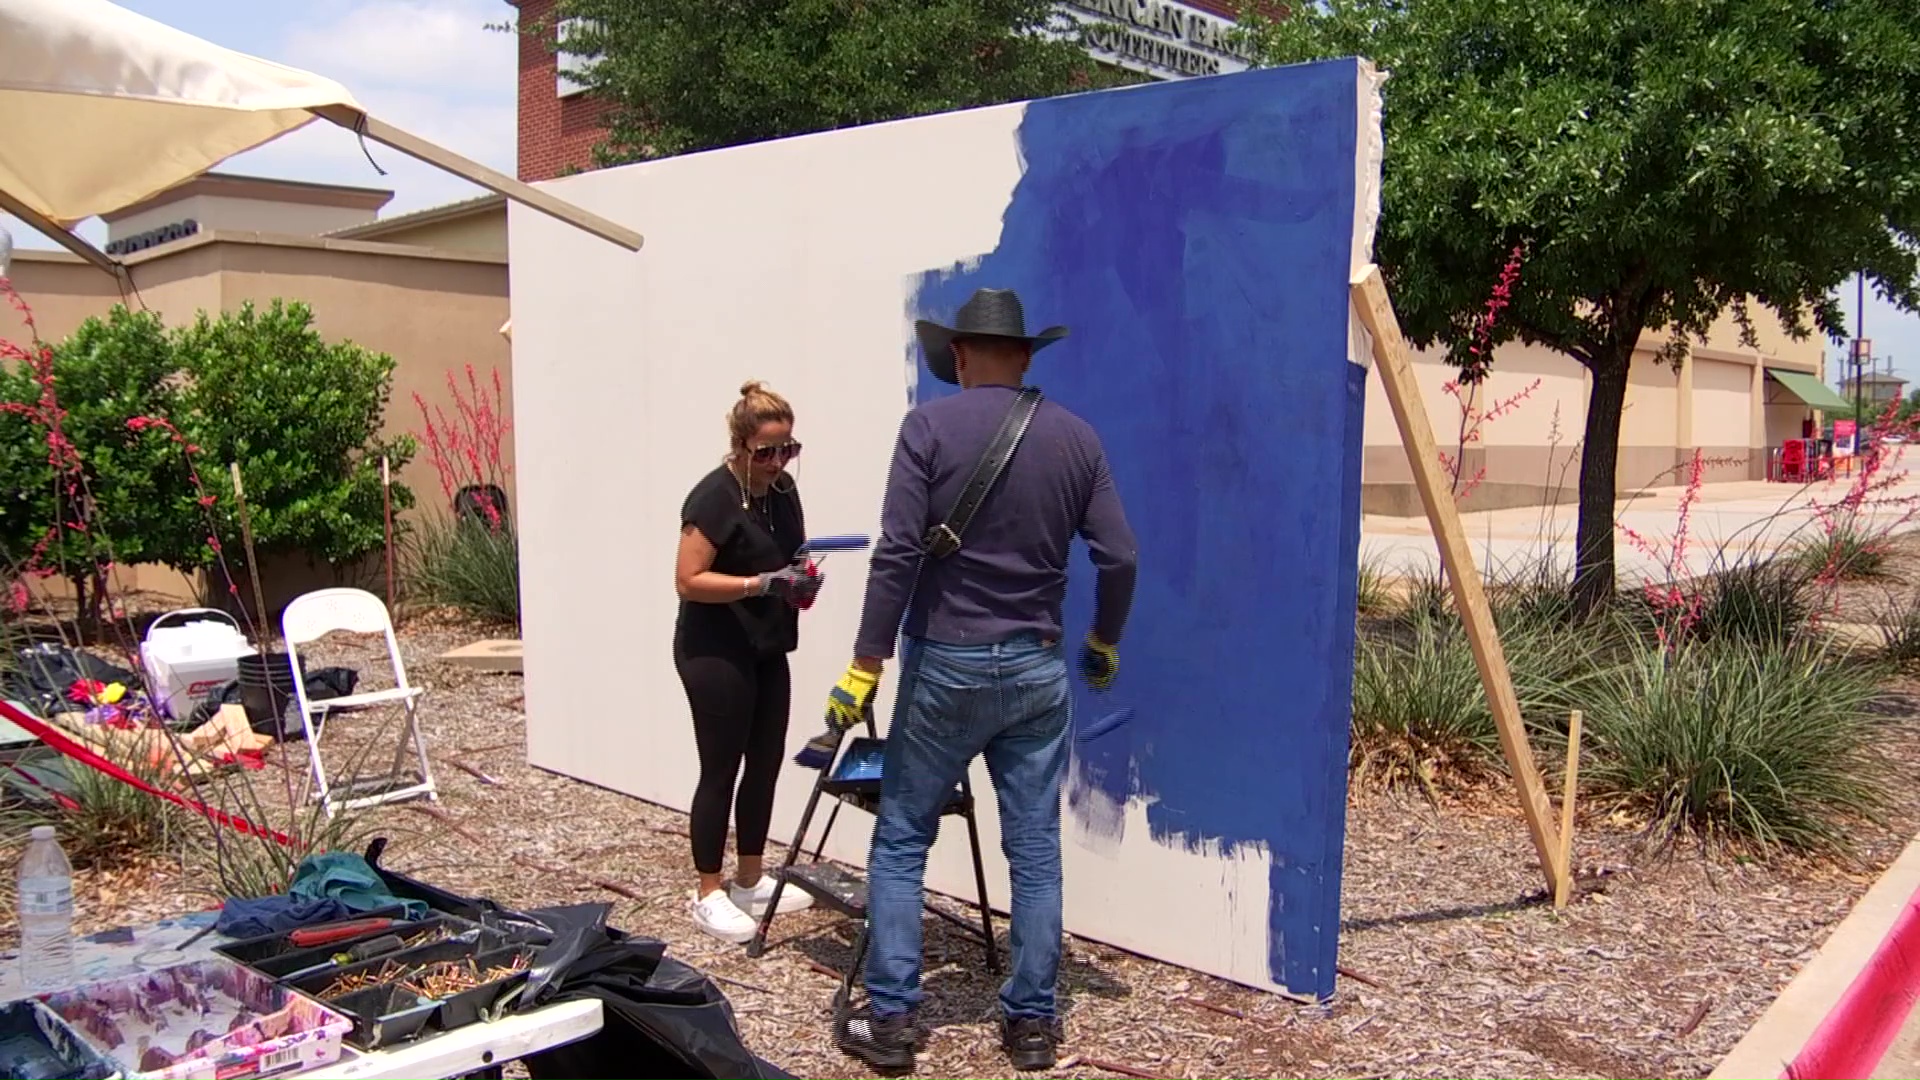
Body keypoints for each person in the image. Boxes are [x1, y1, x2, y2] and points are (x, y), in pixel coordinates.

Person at [822, 288, 1138, 1073]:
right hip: (1035, 666)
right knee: (1033, 851)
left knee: (901, 842)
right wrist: (1104, 638)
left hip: (945, 665)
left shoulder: (927, 427)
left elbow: (898, 551)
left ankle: (893, 1021)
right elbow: (1120, 556)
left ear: (957, 356)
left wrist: (865, 663)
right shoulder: (1077, 439)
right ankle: (1032, 1023)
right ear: (1026, 356)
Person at [674, 381, 825, 943]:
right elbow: (688, 580)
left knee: (764, 761)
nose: (777, 461)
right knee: (721, 767)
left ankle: (750, 876)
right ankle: (708, 889)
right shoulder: (714, 496)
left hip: (767, 646)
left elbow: (791, 557)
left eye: (788, 449)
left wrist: (799, 583)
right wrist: (760, 583)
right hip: (714, 649)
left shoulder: (783, 491)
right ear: (739, 445)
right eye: (766, 451)